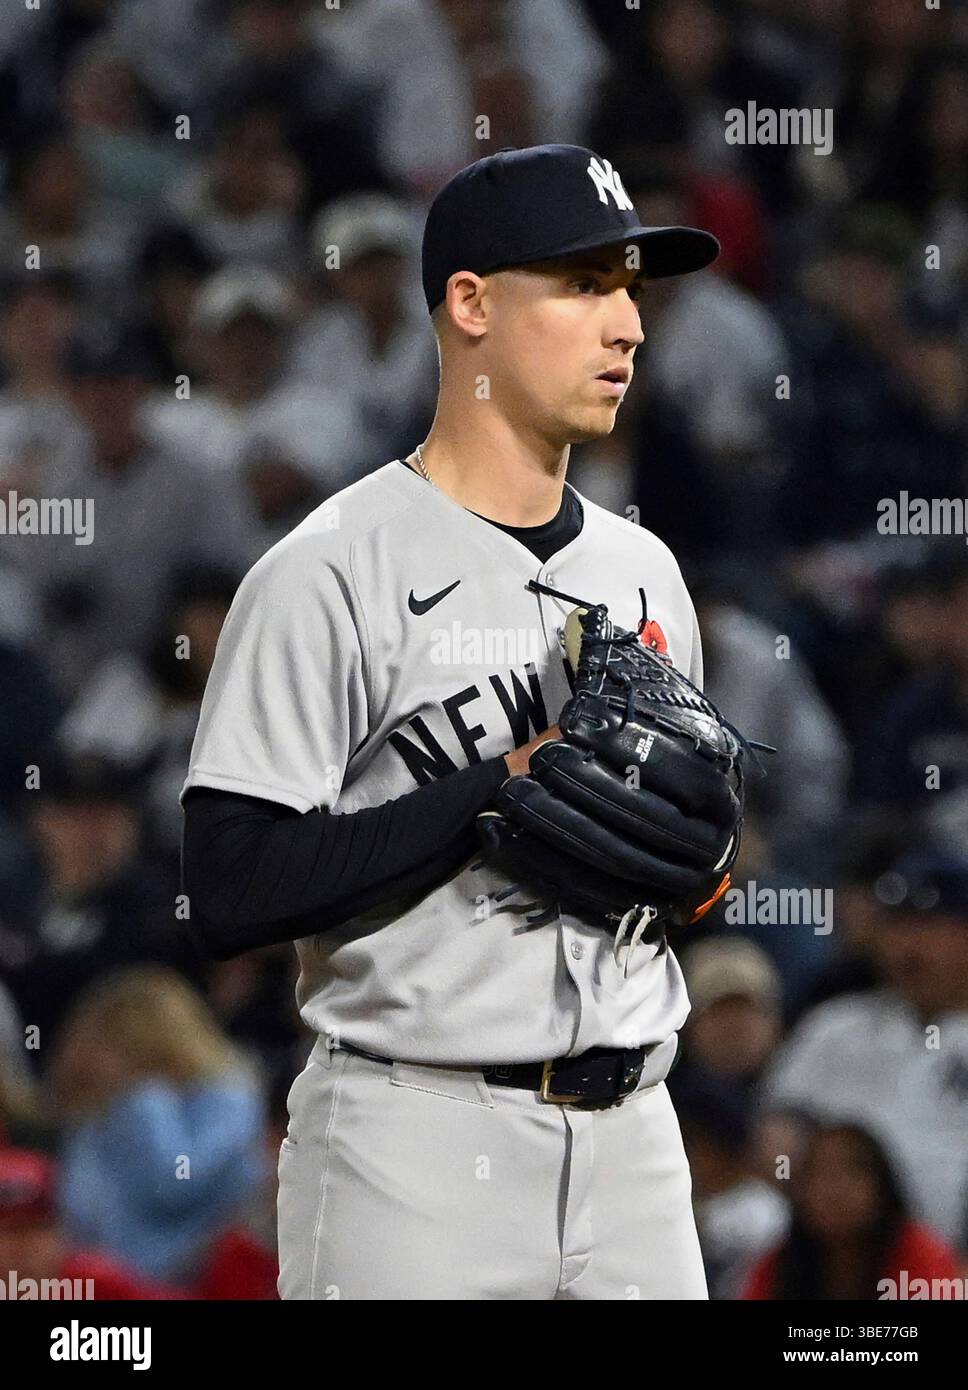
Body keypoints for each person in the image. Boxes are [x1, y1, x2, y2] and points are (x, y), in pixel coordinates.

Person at [182, 143, 730, 1300]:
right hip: (412, 1140)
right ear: (469, 304)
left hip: (634, 1134)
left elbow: (678, 856)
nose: (625, 325)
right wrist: (489, 790)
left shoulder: (643, 568)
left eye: (630, 289)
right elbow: (230, 884)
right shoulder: (330, 569)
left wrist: (708, 870)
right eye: (583, 286)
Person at [742, 1122, 965, 1300]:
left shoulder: (922, 1253)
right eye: (821, 1174)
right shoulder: (777, 1266)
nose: (836, 1189)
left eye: (854, 1172)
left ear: (882, 1186)